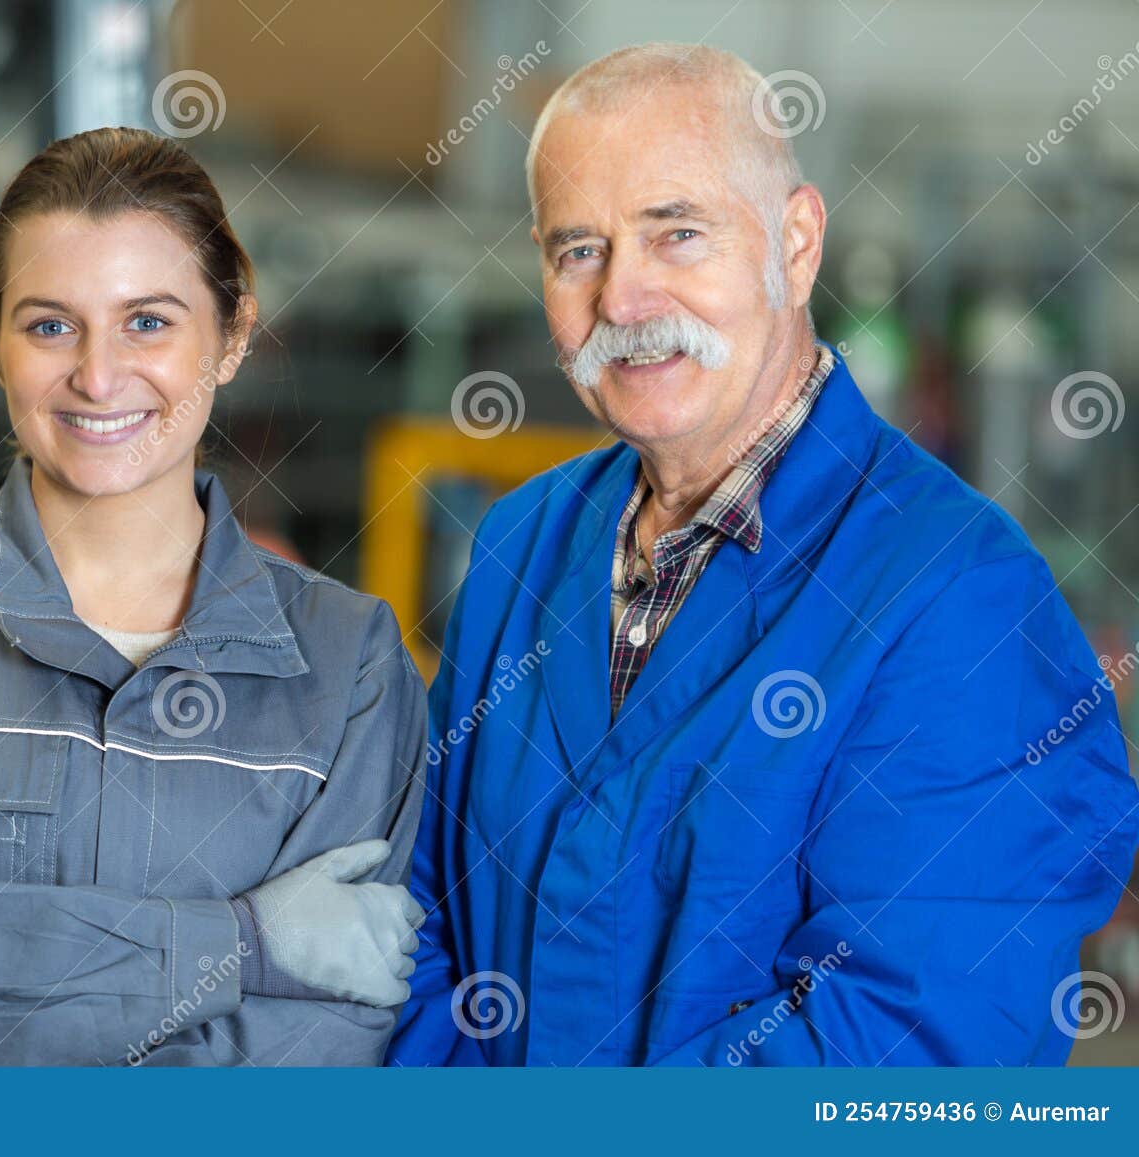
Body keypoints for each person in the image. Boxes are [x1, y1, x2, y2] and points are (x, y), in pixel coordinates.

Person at [388, 43, 1139, 1066]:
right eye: (579, 251)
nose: (622, 300)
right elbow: (416, 918)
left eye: (677, 235)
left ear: (794, 243)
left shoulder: (960, 600)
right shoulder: (521, 543)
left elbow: (904, 1040)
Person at [0, 127, 426, 1066]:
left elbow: (317, 1044)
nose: (98, 376)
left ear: (231, 336)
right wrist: (245, 946)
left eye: (148, 320)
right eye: (49, 324)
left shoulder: (347, 664)